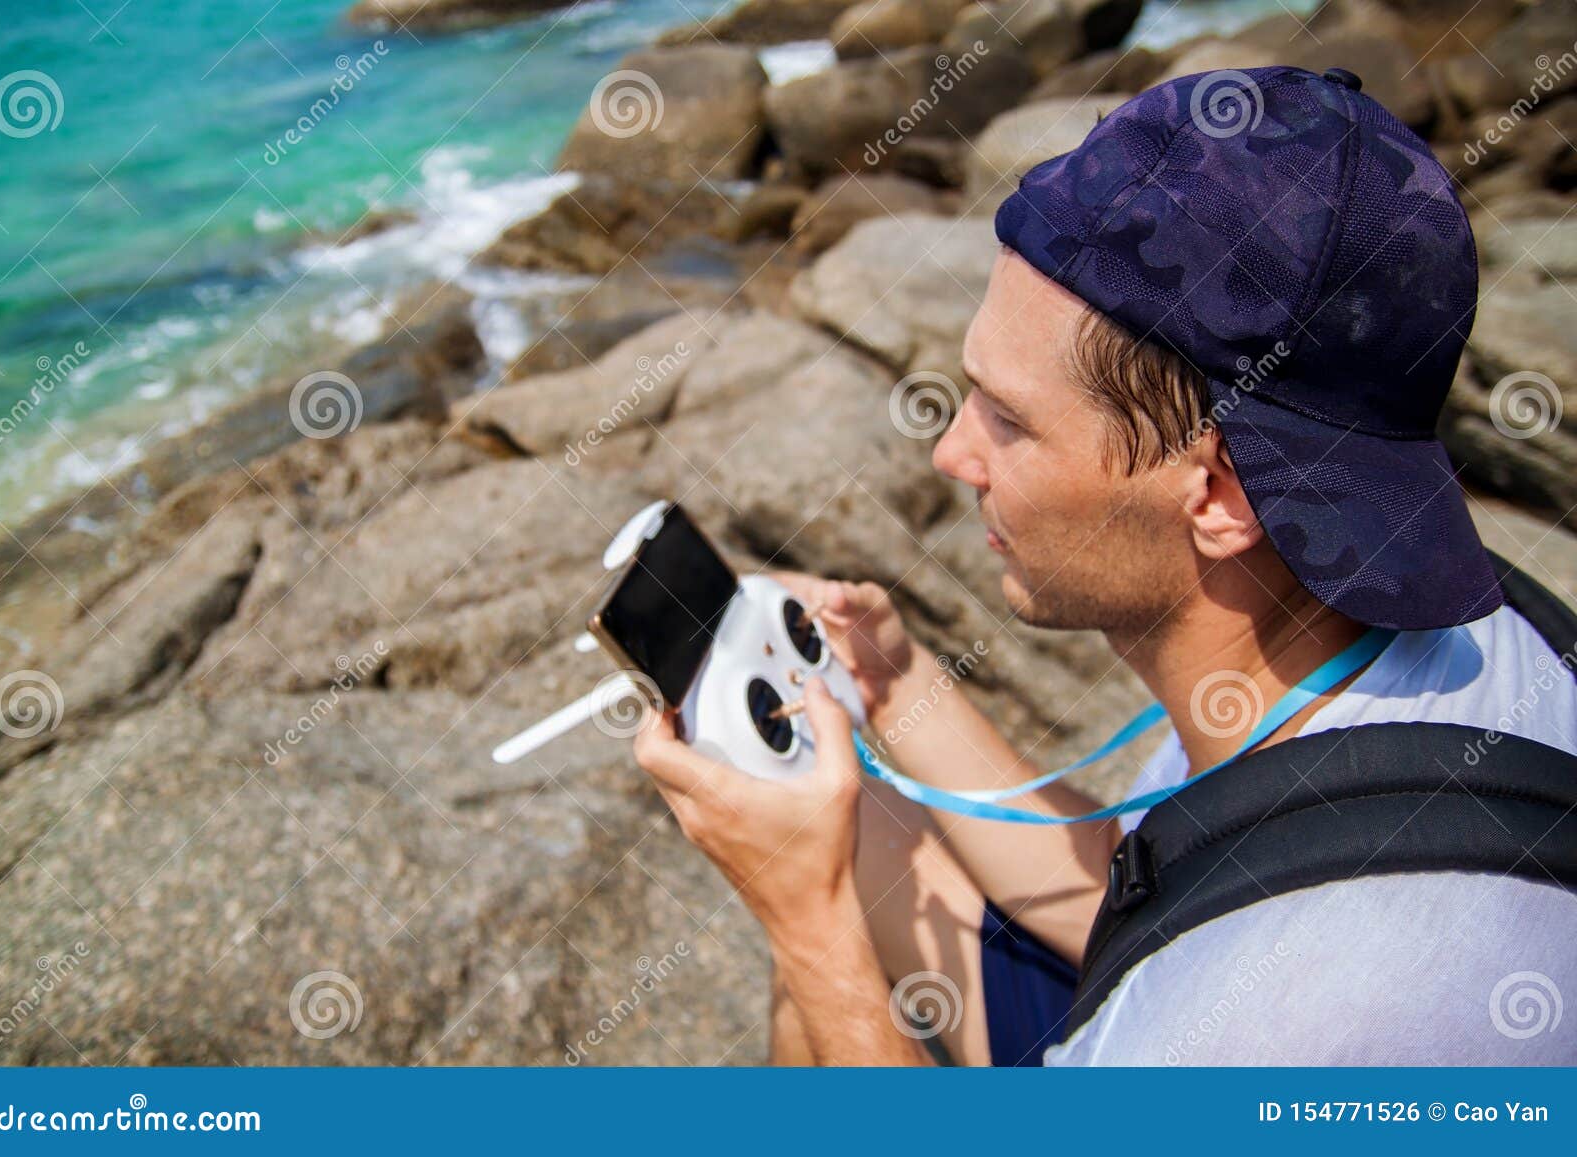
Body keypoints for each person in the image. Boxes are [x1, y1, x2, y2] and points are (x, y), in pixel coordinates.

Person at [633, 66, 1577, 1065]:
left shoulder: (1282, 1026)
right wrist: (900, 683)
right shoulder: (1372, 639)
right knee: (862, 833)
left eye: (1007, 419)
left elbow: (1208, 976)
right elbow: (1158, 894)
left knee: (833, 919)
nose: (952, 454)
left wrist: (806, 921)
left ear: (1220, 495)